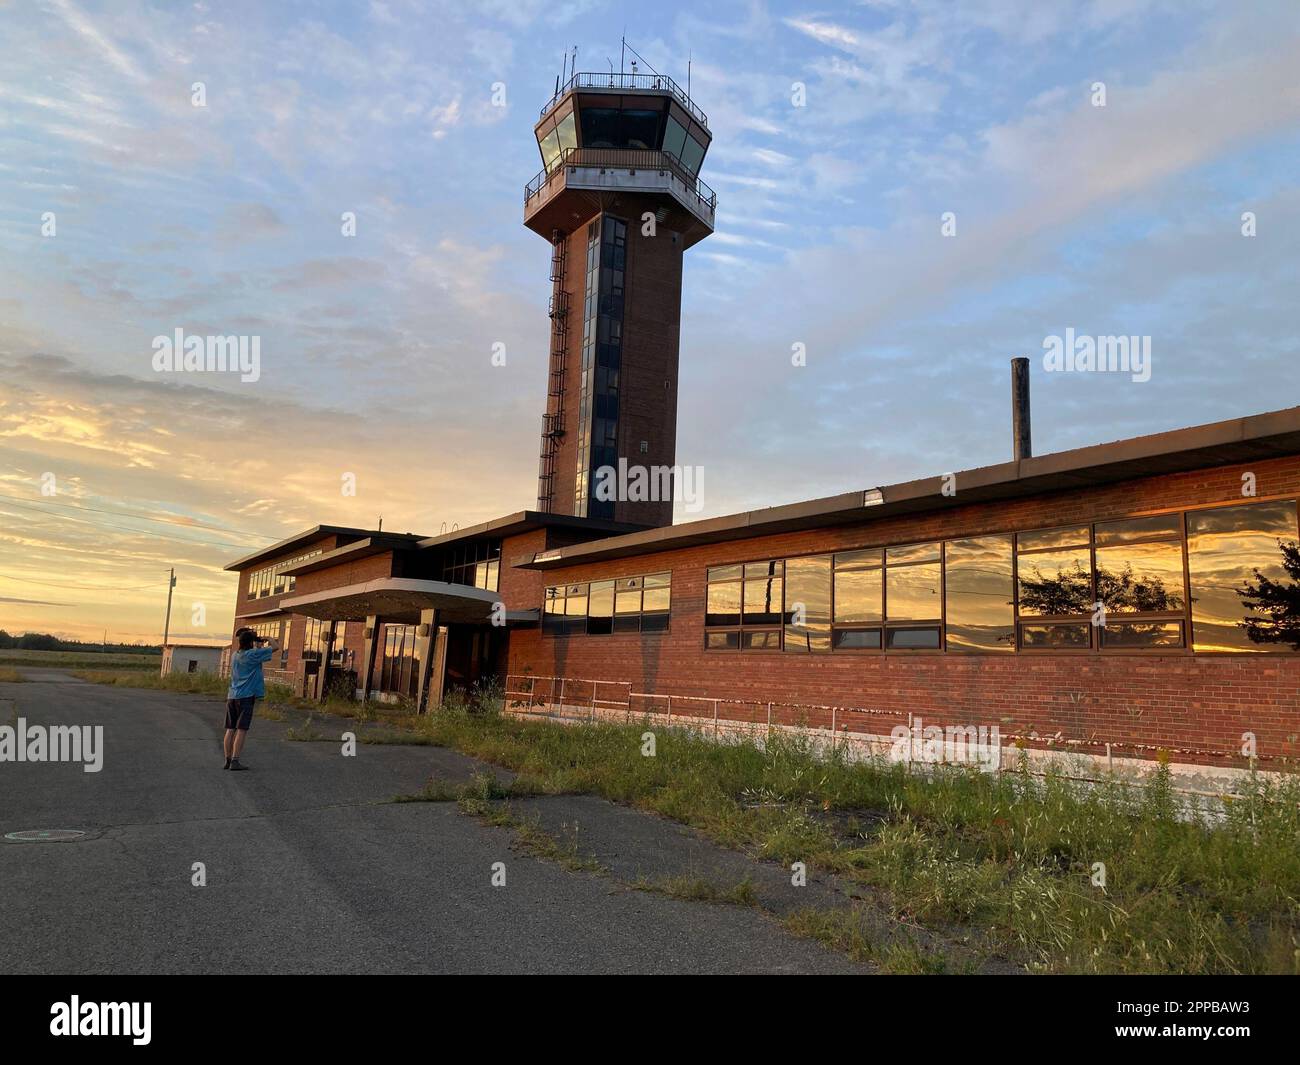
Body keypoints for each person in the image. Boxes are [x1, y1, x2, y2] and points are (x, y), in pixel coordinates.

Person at [224, 627, 276, 771]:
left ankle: (227, 759)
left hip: (232, 696)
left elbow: (256, 655)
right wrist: (266, 638)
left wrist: (256, 644)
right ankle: (235, 760)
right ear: (251, 642)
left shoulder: (235, 655)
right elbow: (276, 647)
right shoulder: (253, 655)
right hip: (246, 697)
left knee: (230, 728)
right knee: (241, 729)